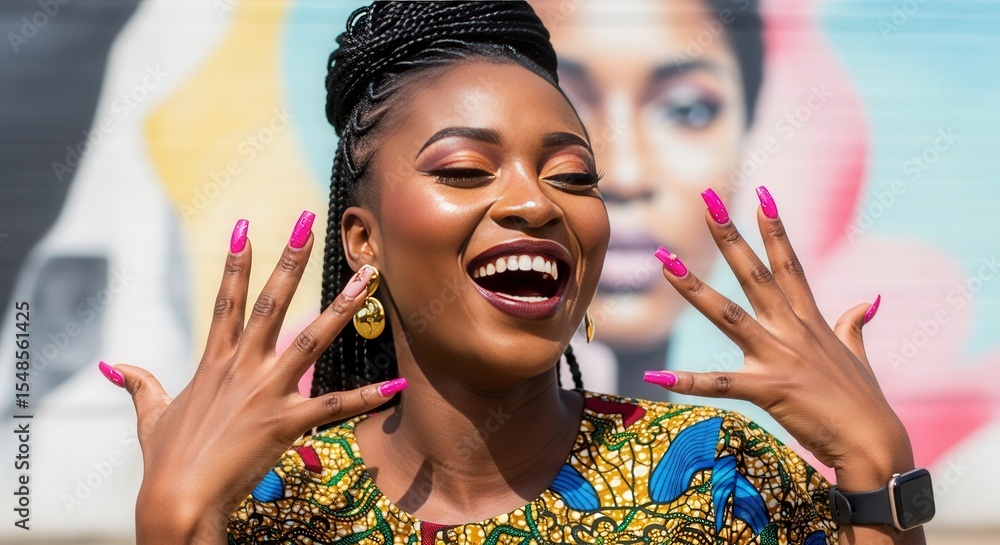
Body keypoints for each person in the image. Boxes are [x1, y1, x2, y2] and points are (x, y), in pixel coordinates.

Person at [101, 2, 928, 543]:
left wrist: (876, 474)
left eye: (572, 176)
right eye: (465, 170)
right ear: (363, 241)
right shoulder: (263, 503)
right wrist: (177, 523)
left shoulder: (719, 476)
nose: (535, 204)